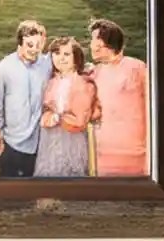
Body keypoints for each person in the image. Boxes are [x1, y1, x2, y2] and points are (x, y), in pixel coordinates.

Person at [0, 21, 53, 178]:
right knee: (9, 194)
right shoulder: (2, 69)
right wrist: (0, 134)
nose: (35, 50)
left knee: (34, 195)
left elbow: (70, 65)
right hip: (11, 144)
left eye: (38, 45)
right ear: (20, 43)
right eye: (30, 45)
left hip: (40, 145)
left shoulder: (47, 64)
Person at [88, 19, 149, 176]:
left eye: (95, 39)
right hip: (103, 157)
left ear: (108, 42)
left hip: (137, 157)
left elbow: (155, 108)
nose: (92, 45)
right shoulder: (94, 73)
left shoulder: (137, 68)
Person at [33, 37, 98, 177]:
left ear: (76, 57)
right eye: (56, 54)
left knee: (72, 177)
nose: (60, 58)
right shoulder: (50, 82)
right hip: (49, 140)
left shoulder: (84, 83)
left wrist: (58, 118)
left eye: (66, 54)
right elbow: (44, 110)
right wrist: (49, 116)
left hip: (72, 139)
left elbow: (81, 119)